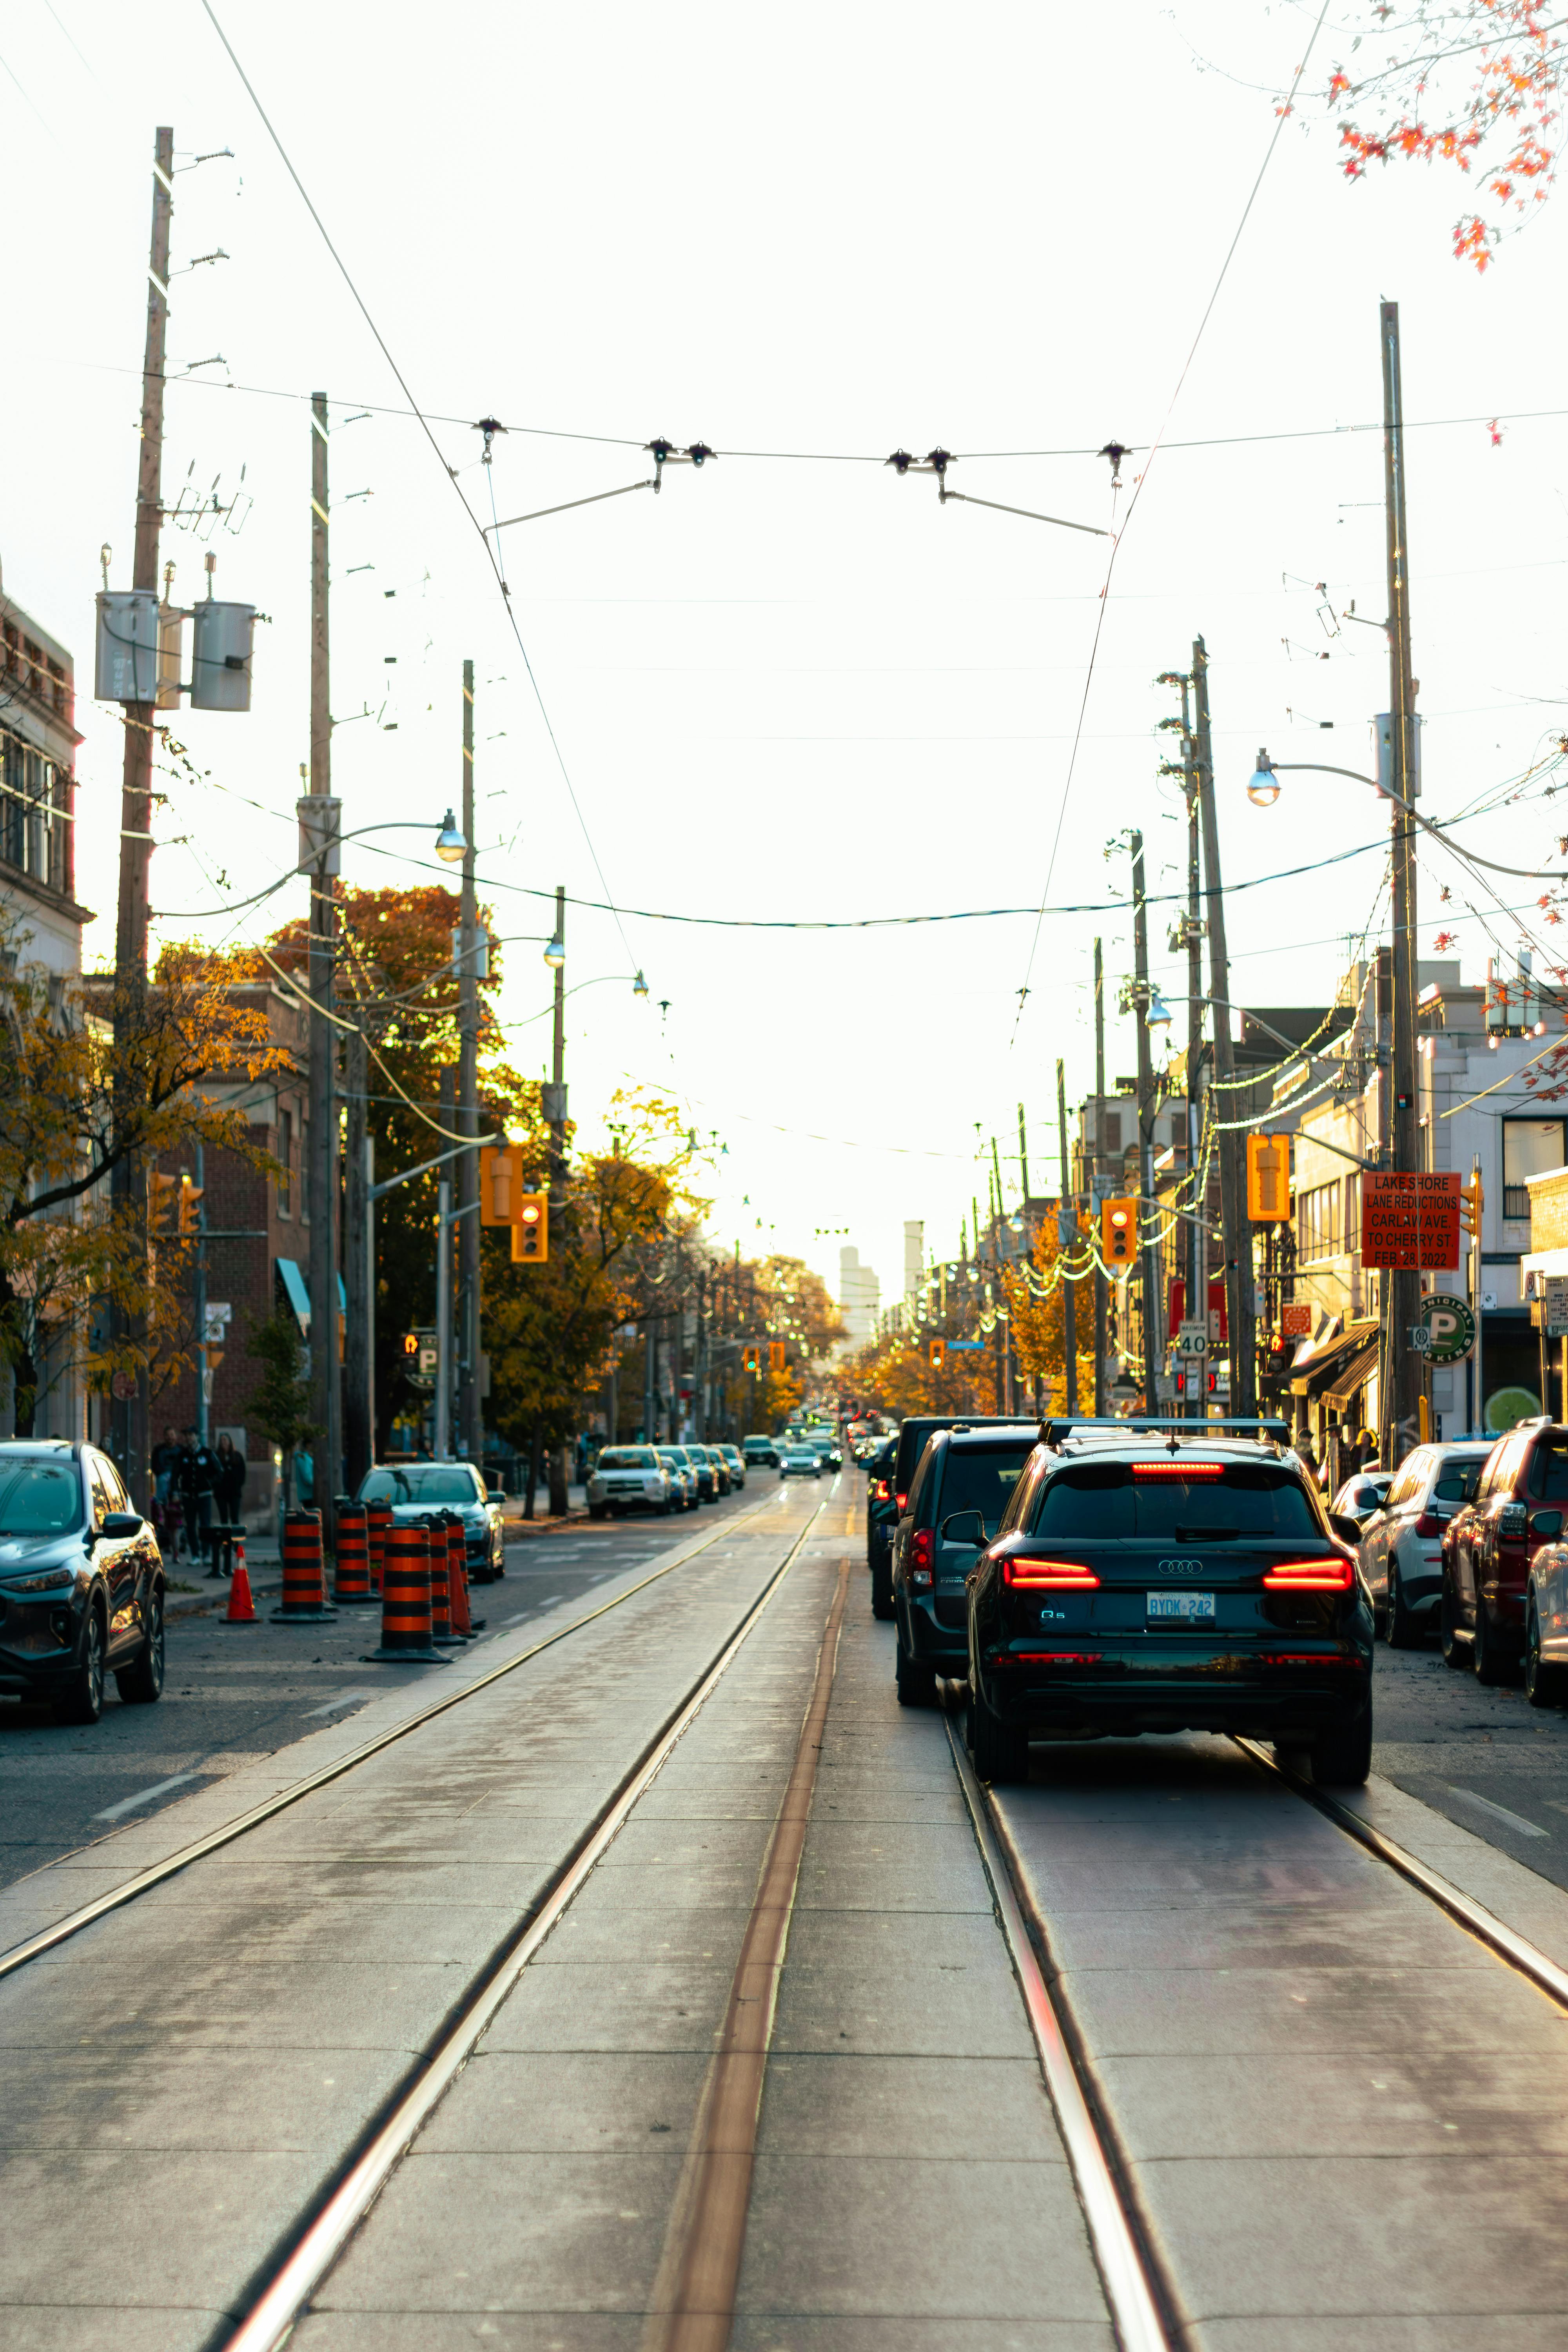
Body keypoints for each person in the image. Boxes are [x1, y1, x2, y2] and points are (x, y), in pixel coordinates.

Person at [180, 1425, 220, 1576]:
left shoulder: (207, 1454)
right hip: (188, 1496)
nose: (189, 1438)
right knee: (190, 1526)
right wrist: (175, 1492)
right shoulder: (183, 1455)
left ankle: (206, 1554)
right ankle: (195, 1555)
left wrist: (210, 1483)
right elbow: (176, 1473)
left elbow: (219, 1471)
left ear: (197, 1436)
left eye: (191, 1435)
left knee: (205, 1525)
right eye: (187, 1436)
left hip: (204, 1496)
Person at [212, 1432, 246, 1575]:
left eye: (226, 1441)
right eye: (222, 1441)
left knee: (235, 1519)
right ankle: (225, 1544)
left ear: (230, 1443)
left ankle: (236, 1544)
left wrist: (236, 1486)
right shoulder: (217, 1458)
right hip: (221, 1494)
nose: (224, 1444)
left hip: (234, 1494)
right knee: (224, 1520)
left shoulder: (237, 1457)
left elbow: (242, 1475)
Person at [151, 1424, 184, 1559]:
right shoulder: (159, 1451)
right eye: (168, 1436)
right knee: (165, 1521)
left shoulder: (180, 1451)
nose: (170, 1438)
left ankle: (178, 1546)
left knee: (177, 1522)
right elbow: (155, 1466)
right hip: (163, 1488)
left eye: (172, 1435)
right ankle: (168, 1545)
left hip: (177, 1488)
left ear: (175, 1437)